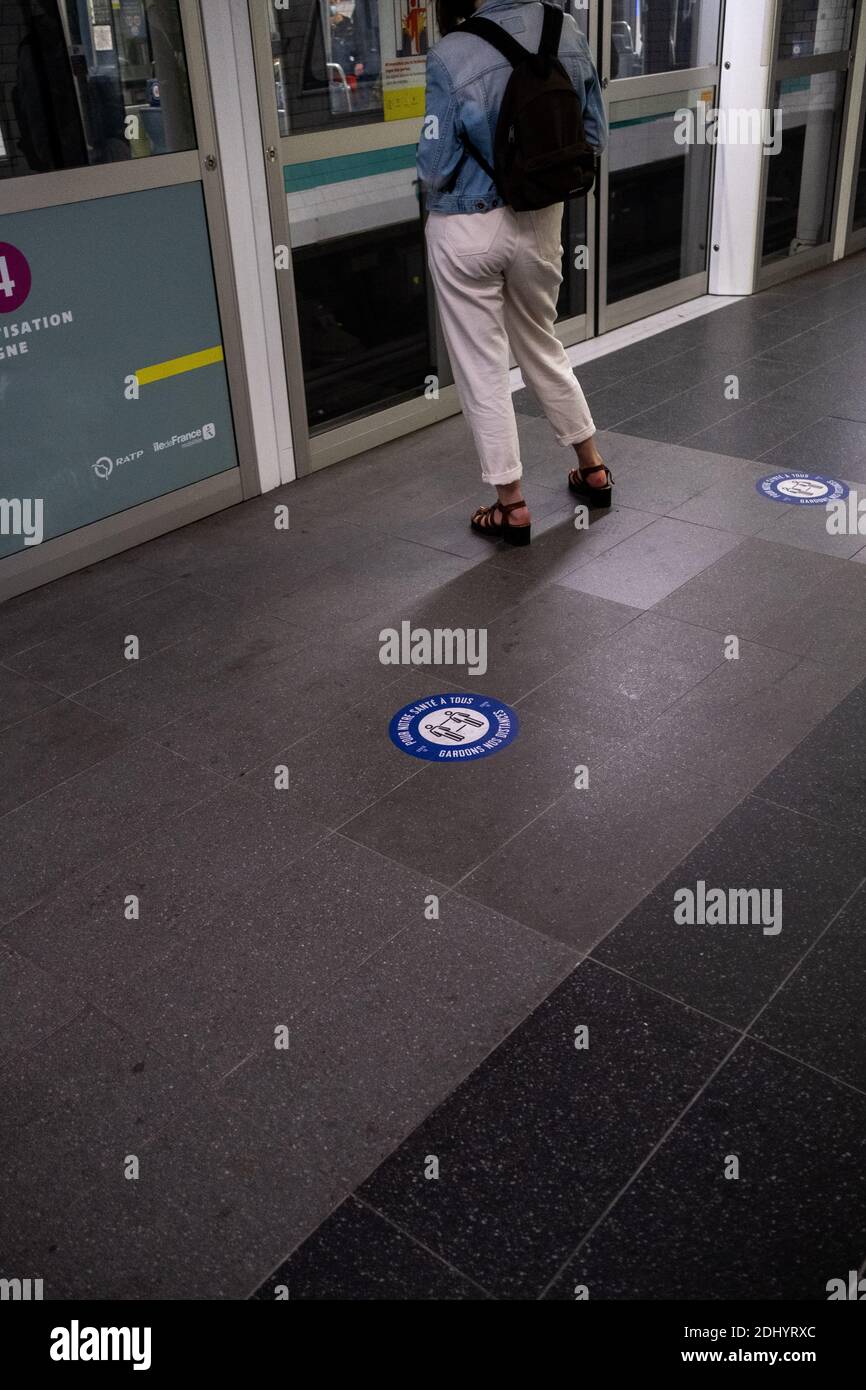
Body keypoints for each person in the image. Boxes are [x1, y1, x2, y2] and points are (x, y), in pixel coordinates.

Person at [418, 0, 610, 545]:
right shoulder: (564, 30)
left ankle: (512, 505)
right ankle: (592, 468)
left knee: (482, 366)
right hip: (542, 218)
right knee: (540, 341)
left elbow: (433, 167)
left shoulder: (451, 52)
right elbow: (593, 134)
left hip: (467, 227)